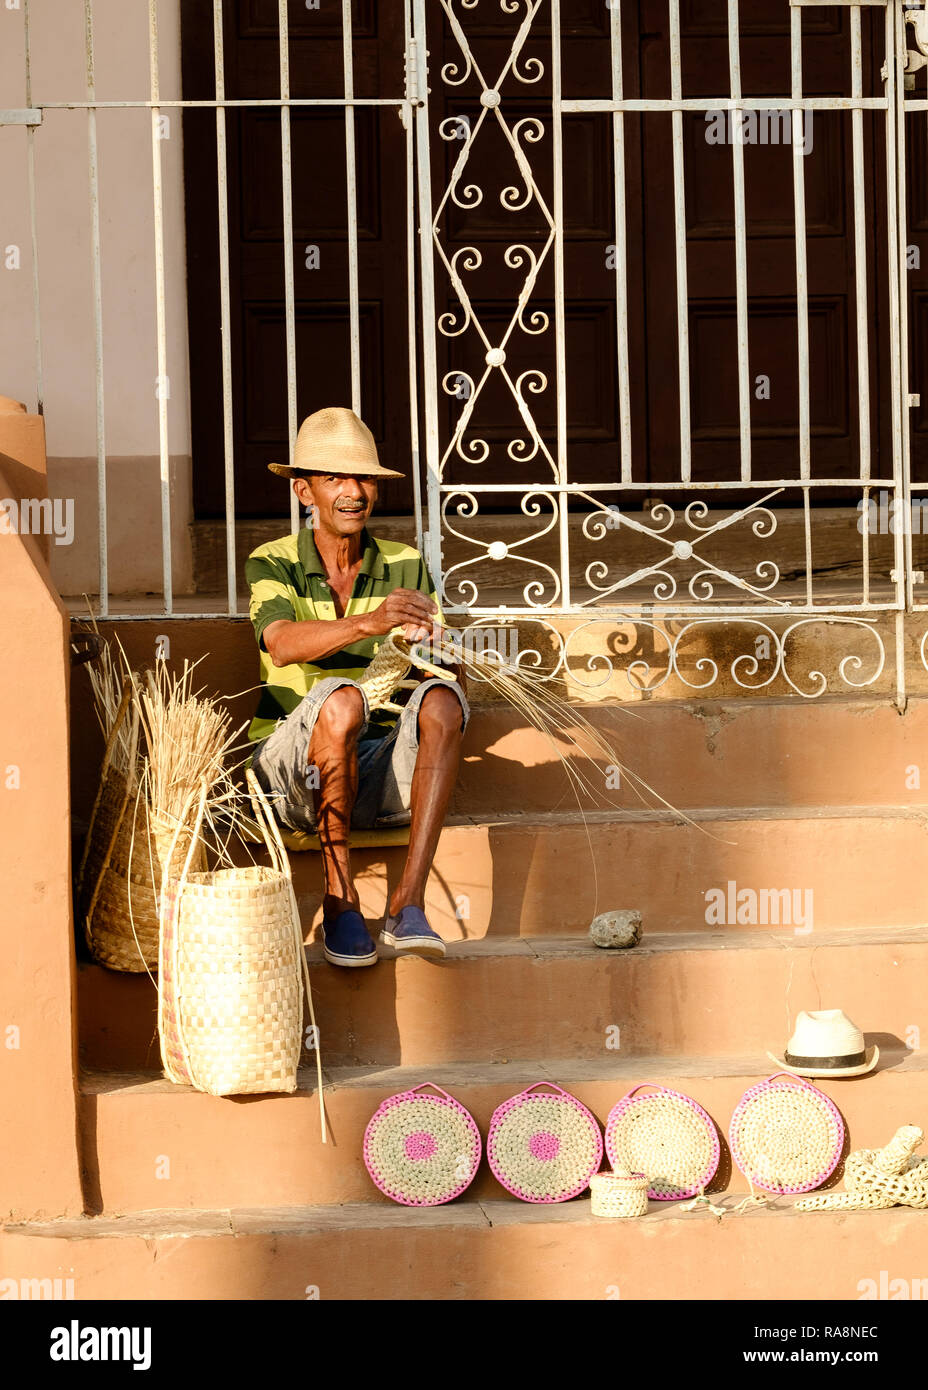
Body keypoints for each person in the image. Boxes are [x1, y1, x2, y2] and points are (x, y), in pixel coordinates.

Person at [246, 406, 468, 968]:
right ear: (304, 492)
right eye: (334, 478)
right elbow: (282, 642)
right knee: (341, 699)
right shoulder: (271, 561)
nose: (354, 492)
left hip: (379, 776)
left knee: (443, 701)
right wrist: (369, 624)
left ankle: (408, 903)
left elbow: (445, 670)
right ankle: (341, 901)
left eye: (365, 478)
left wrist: (432, 649)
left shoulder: (405, 563)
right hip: (293, 776)